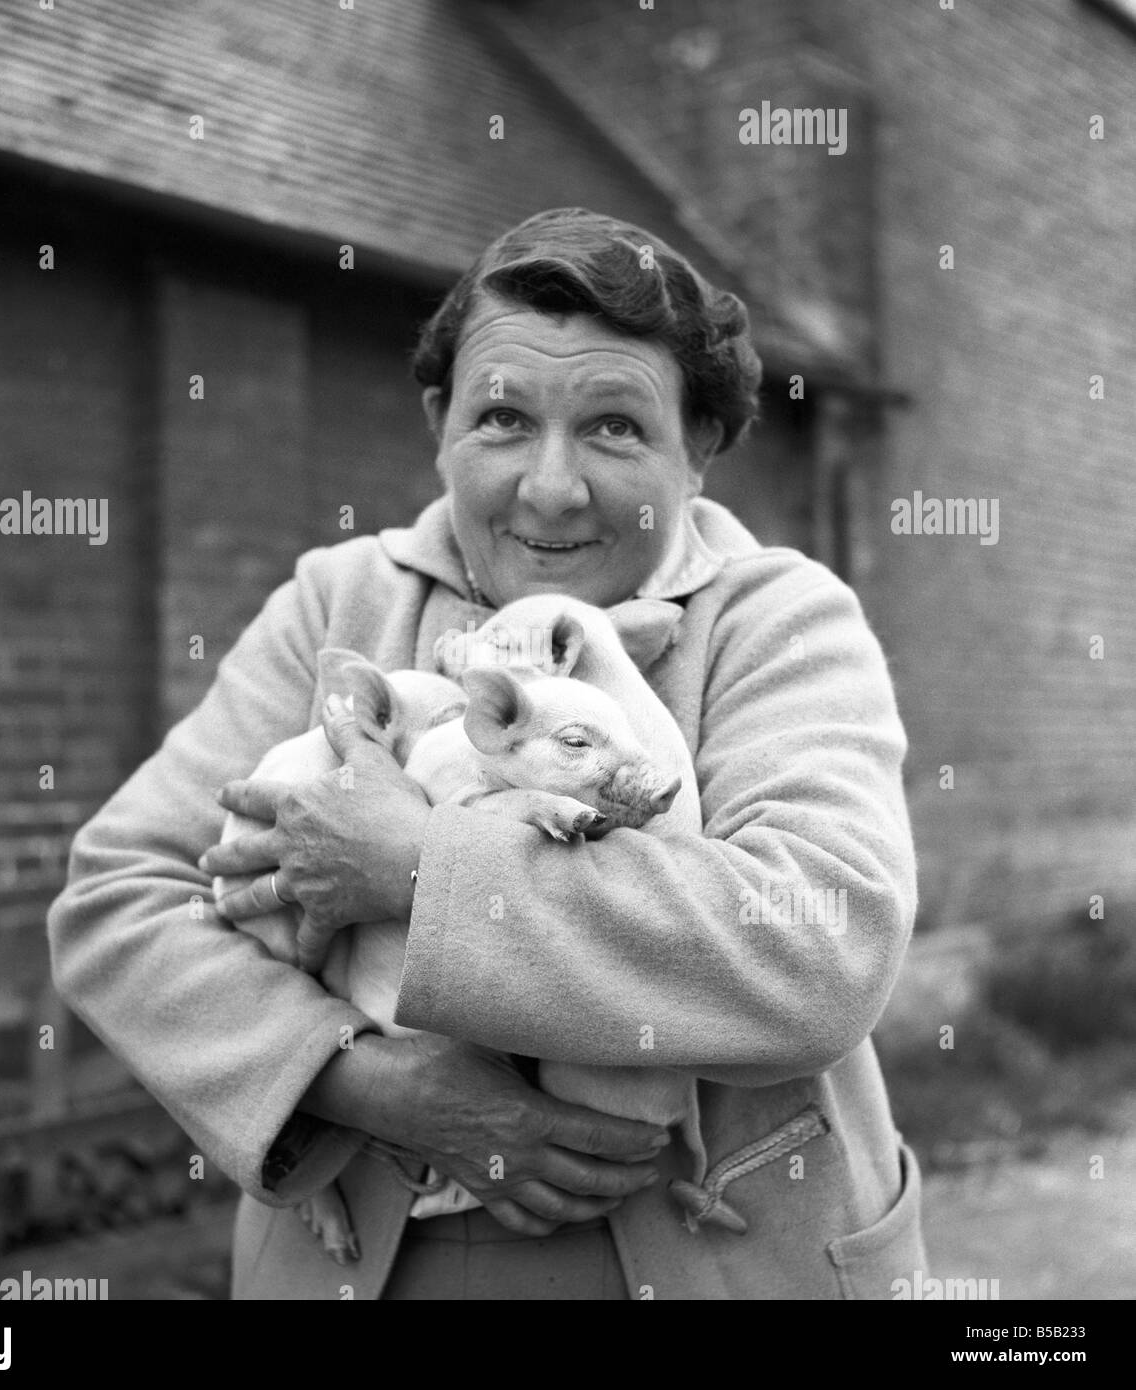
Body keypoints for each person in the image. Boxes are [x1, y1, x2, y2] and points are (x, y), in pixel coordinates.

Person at [47, 207, 926, 1300]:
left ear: (696, 446)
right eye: (503, 418)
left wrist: (418, 866)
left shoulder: (780, 621)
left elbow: (822, 943)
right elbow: (121, 899)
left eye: (613, 427)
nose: (550, 487)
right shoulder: (342, 600)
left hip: (724, 1255)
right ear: (439, 420)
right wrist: (360, 1080)